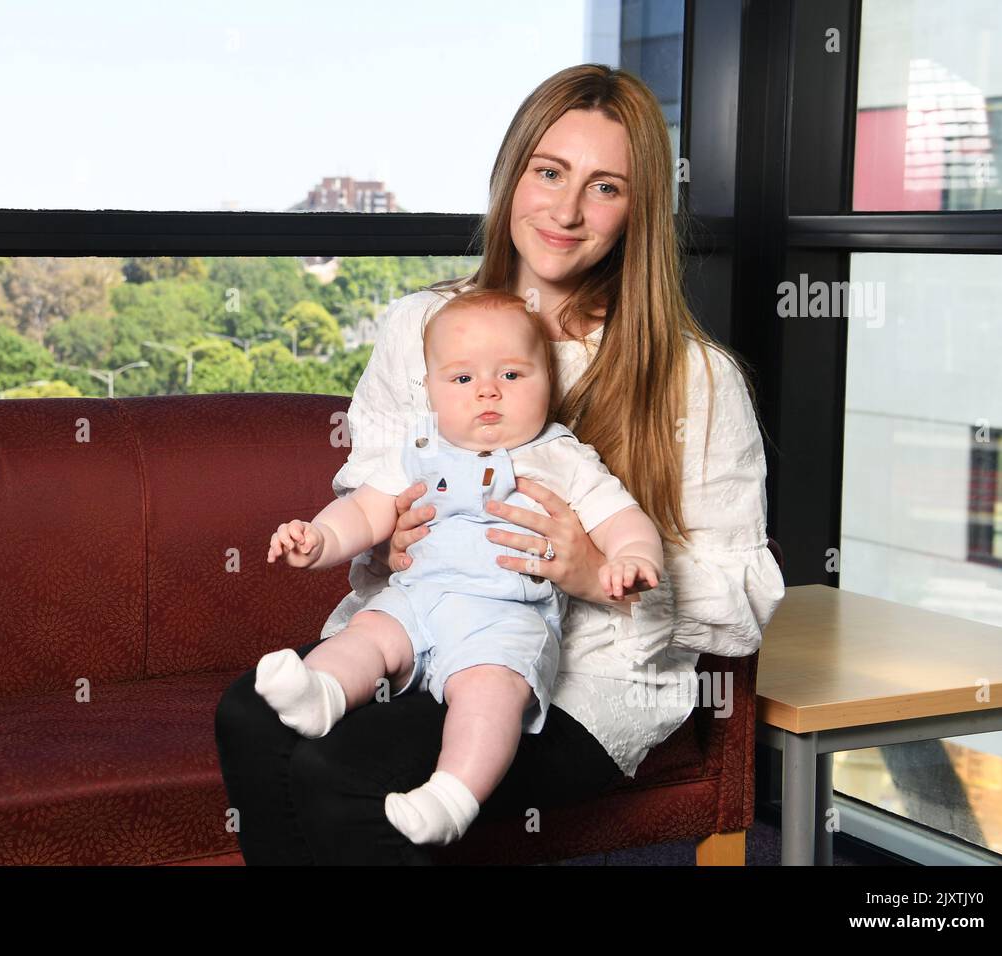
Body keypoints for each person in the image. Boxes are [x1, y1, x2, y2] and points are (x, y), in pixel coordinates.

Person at [215, 63, 787, 865]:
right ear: (512, 173)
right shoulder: (419, 325)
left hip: (584, 681)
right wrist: (390, 535)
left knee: (340, 772)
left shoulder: (695, 377)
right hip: (421, 631)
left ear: (638, 211)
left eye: (605, 188)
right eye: (548, 172)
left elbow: (748, 600)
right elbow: (369, 493)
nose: (565, 209)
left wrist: (595, 572)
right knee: (249, 714)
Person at [258, 289, 665, 846]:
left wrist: (632, 557)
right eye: (462, 379)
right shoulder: (419, 448)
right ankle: (323, 692)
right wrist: (321, 538)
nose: (488, 391)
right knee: (367, 634)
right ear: (430, 391)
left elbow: (623, 517)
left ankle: (453, 794)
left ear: (550, 381)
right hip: (416, 598)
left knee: (490, 692)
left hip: (502, 617)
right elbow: (365, 510)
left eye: (513, 376)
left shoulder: (562, 457)